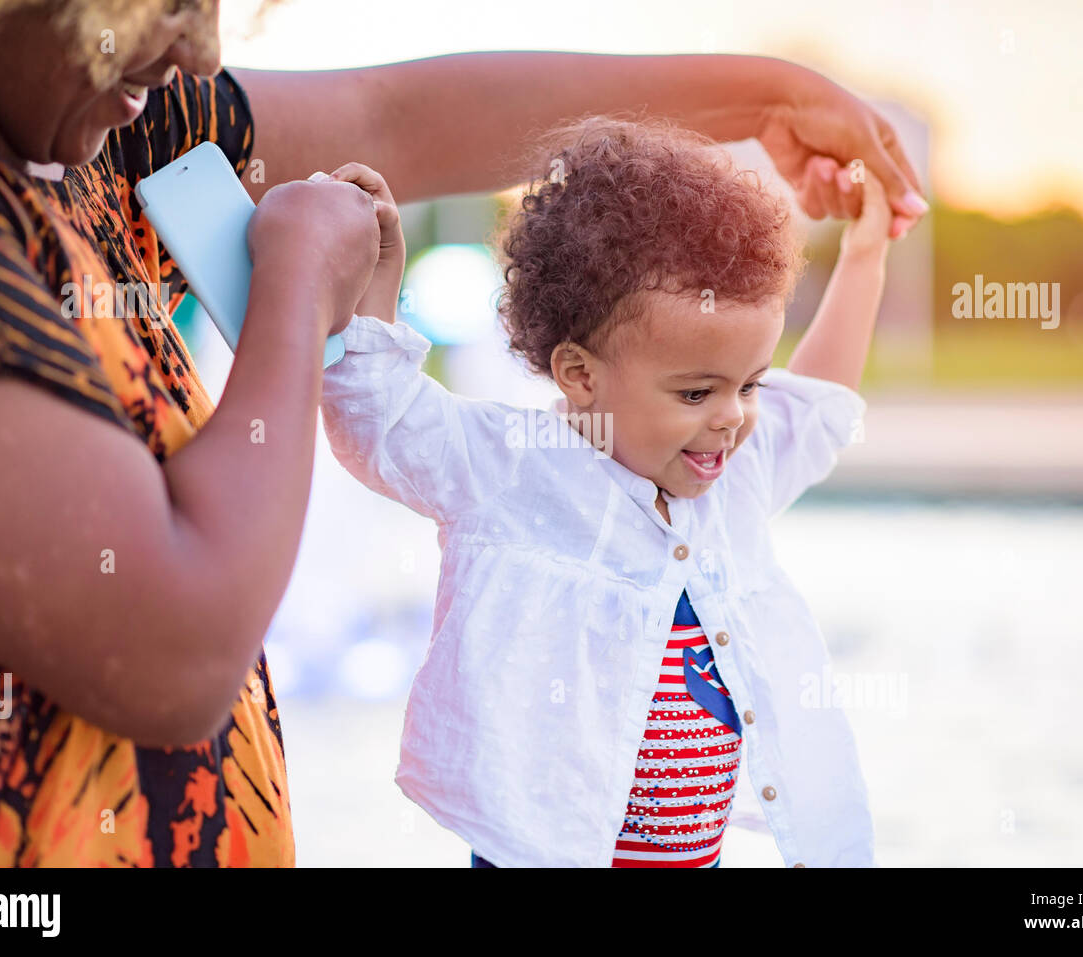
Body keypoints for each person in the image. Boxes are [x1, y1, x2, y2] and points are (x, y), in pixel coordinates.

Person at [0, 0, 923, 867]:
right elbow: (174, 652)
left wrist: (764, 98)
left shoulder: (93, 123)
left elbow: (392, 115)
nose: (202, 50)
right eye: (168, 3)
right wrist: (308, 290)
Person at [317, 115, 892, 867]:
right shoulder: (517, 471)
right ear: (580, 374)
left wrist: (867, 254)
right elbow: (383, 422)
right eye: (694, 393)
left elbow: (814, 406)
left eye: (748, 384)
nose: (732, 419)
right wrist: (378, 276)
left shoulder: (729, 479)